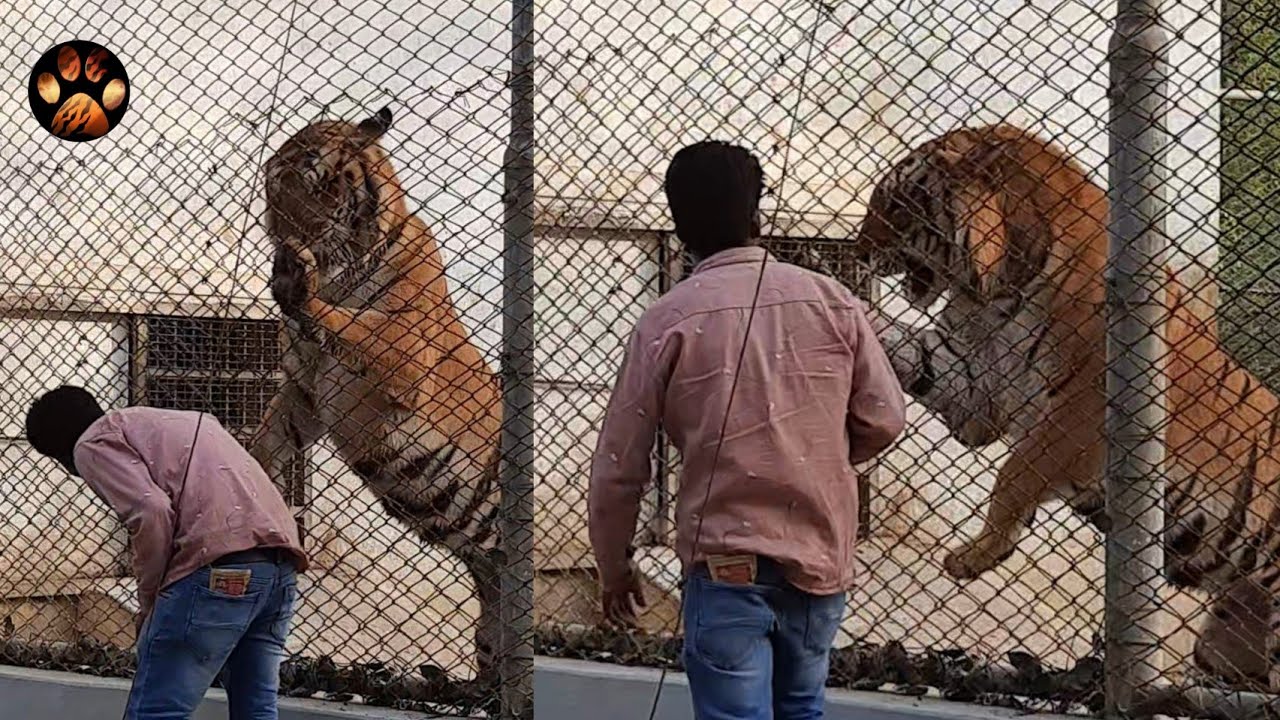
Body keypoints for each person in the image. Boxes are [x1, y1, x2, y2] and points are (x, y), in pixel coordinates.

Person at [588, 141, 907, 720]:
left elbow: (621, 465)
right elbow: (885, 419)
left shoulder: (667, 319)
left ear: (679, 223)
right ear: (757, 210)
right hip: (819, 555)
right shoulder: (834, 302)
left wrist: (614, 566)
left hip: (725, 564)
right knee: (802, 707)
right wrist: (820, 455)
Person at [24, 385, 309, 719]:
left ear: (60, 448)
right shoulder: (179, 422)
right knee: (256, 706)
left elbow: (151, 510)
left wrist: (151, 600)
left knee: (156, 711)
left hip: (216, 566)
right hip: (280, 565)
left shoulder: (90, 444)